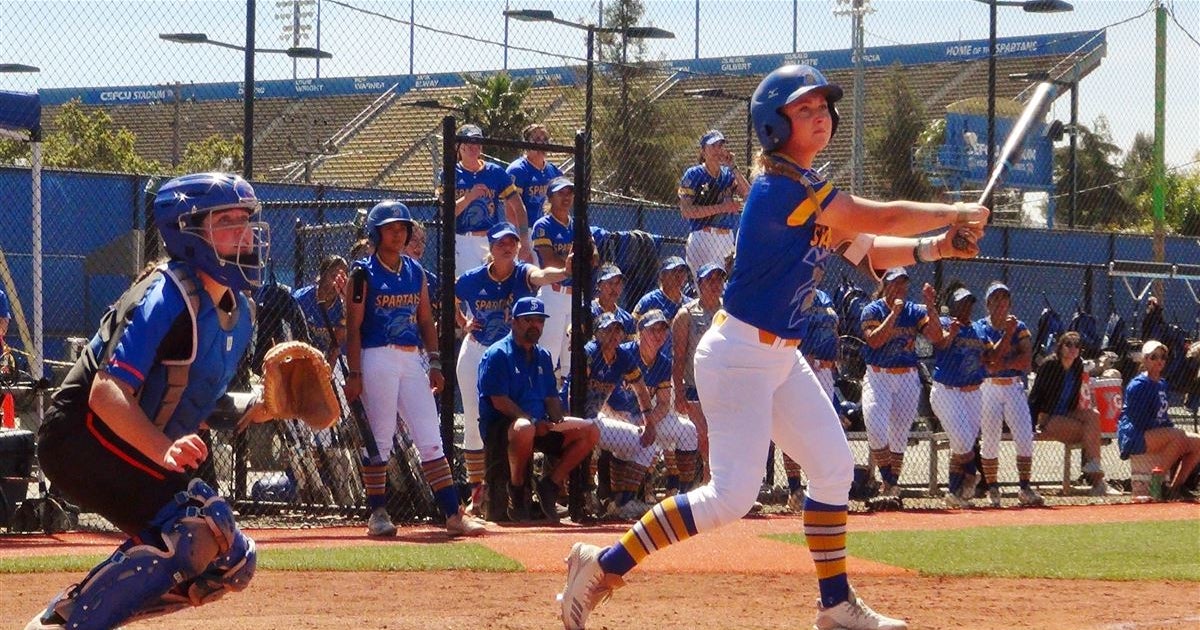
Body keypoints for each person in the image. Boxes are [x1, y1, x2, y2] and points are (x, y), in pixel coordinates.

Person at [559, 64, 987, 630]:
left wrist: (938, 246)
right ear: (772, 126)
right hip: (736, 356)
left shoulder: (809, 193)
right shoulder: (781, 187)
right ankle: (601, 564)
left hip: (780, 358)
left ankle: (835, 606)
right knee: (730, 497)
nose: (819, 117)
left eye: (822, 109)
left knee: (834, 469)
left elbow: (869, 251)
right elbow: (873, 215)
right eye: (803, 110)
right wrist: (952, 212)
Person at [25, 172, 268, 630]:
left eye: (246, 219)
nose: (245, 231)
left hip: (132, 443)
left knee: (231, 560)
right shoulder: (168, 295)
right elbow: (106, 393)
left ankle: (67, 617)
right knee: (192, 531)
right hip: (78, 437)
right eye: (227, 220)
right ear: (189, 232)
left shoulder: (241, 312)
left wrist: (259, 405)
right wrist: (163, 449)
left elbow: (193, 401)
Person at [343, 200, 485, 539]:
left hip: (411, 359)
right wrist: (355, 373)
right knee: (379, 437)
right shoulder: (363, 273)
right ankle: (378, 513)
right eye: (391, 227)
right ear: (376, 233)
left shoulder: (415, 271)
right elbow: (353, 328)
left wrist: (434, 360)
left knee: (430, 436)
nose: (398, 232)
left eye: (402, 227)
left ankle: (453, 514)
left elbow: (425, 319)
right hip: (376, 355)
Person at [455, 222, 569, 514]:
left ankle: (506, 490)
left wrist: (565, 272)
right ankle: (477, 490)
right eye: (500, 243)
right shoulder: (473, 278)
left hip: (511, 355)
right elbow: (450, 296)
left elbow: (543, 275)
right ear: (491, 248)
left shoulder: (522, 273)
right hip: (478, 350)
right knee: (473, 420)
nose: (507, 248)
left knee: (511, 422)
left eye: (512, 243)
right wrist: (462, 322)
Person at [477, 296, 599, 521]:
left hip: (538, 424)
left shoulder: (543, 356)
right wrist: (533, 421)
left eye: (539, 321)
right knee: (525, 429)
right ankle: (517, 489)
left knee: (590, 430)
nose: (535, 325)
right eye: (528, 320)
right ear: (513, 322)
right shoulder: (498, 354)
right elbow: (499, 401)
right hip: (502, 426)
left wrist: (557, 423)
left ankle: (549, 485)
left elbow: (551, 398)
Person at [860, 267, 943, 499]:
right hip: (879, 375)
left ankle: (890, 489)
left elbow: (935, 336)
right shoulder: (872, 309)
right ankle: (890, 481)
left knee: (898, 437)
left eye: (904, 284)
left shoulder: (914, 311)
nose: (900, 288)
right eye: (895, 283)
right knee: (876, 428)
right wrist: (893, 315)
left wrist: (931, 306)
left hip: (906, 376)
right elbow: (874, 341)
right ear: (885, 284)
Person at [608, 309, 700, 501]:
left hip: (646, 418)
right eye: (653, 330)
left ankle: (683, 496)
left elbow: (665, 404)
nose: (659, 335)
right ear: (640, 331)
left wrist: (647, 422)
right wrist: (625, 420)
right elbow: (605, 394)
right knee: (629, 442)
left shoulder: (664, 363)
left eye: (663, 330)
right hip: (617, 416)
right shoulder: (623, 354)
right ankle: (621, 499)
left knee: (689, 430)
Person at [976, 281, 1042, 507]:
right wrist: (1005, 348)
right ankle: (992, 488)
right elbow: (989, 364)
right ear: (988, 303)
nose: (1001, 304)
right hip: (989, 387)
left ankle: (1024, 487)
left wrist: (1002, 360)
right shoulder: (980, 327)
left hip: (1013, 385)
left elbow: (1026, 362)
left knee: (1024, 436)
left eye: (1004, 299)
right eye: (995, 299)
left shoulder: (1020, 326)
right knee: (990, 439)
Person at [1028, 331, 1114, 496]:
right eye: (1069, 344)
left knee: (1094, 416)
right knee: (1089, 433)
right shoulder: (1049, 365)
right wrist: (1031, 426)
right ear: (1060, 347)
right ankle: (1097, 479)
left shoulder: (1077, 366)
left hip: (1068, 411)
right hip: (1048, 416)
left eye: (1077, 345)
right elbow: (1035, 397)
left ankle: (1094, 472)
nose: (1073, 348)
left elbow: (1075, 398)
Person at [927, 286, 987, 508]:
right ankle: (972, 474)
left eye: (969, 302)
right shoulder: (945, 323)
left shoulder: (979, 329)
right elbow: (938, 343)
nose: (966, 307)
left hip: (973, 394)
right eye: (962, 302)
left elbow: (987, 355)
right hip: (947, 391)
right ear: (953, 305)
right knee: (962, 441)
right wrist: (950, 333)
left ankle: (954, 493)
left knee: (962, 444)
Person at [1118, 340, 1200, 499]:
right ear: (1145, 360)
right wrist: (1167, 431)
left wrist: (1169, 429)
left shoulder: (1162, 384)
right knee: (1177, 435)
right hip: (1134, 436)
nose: (1159, 360)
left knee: (1197, 442)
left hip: (1154, 433)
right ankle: (1157, 481)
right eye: (1153, 357)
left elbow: (1163, 417)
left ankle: (1175, 487)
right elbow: (1138, 420)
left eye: (1162, 356)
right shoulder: (1138, 385)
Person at [785, 286, 842, 512]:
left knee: (821, 430)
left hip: (826, 371)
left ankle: (816, 488)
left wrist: (836, 359)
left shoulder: (825, 296)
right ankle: (794, 490)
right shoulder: (794, 294)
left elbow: (833, 329)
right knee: (794, 428)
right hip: (803, 366)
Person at [440, 124, 523, 274]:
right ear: (458, 146)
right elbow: (445, 213)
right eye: (469, 142)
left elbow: (518, 206)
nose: (474, 146)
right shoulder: (449, 173)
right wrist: (468, 197)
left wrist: (523, 239)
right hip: (463, 240)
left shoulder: (495, 171)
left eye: (477, 142)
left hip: (492, 238)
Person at [671, 262, 726, 479]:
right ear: (699, 284)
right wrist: (679, 392)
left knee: (722, 436)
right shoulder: (686, 314)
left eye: (719, 279)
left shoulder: (729, 312)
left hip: (723, 387)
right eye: (710, 280)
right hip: (694, 387)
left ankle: (715, 481)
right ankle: (708, 480)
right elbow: (679, 358)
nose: (715, 284)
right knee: (703, 437)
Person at [678, 129, 750, 275]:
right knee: (704, 286)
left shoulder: (728, 174)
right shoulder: (694, 174)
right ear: (703, 152)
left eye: (720, 145)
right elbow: (686, 211)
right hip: (704, 235)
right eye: (713, 146)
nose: (718, 150)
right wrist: (722, 208)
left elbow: (749, 195)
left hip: (726, 237)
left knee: (725, 288)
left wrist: (734, 167)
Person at [531, 176, 583, 376]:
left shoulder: (578, 224)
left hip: (575, 297)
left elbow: (594, 257)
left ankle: (568, 405)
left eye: (569, 192)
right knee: (548, 357)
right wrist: (574, 264)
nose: (566, 197)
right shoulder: (543, 225)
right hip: (553, 294)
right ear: (550, 197)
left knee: (572, 360)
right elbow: (549, 260)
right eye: (560, 193)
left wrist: (580, 261)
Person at [507, 123, 563, 254]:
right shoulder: (517, 170)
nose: (541, 143)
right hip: (528, 230)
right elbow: (510, 209)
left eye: (545, 139)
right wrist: (521, 239)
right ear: (526, 143)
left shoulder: (553, 171)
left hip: (549, 230)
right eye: (537, 139)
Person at [292, 254, 348, 361]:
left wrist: (327, 374)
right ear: (322, 275)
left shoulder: (343, 304)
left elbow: (337, 345)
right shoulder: (301, 299)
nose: (336, 282)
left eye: (342, 277)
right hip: (302, 354)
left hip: (334, 359)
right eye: (333, 275)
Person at [591, 264, 636, 339]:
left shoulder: (627, 319)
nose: (614, 288)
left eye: (618, 283)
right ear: (599, 285)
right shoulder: (588, 310)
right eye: (610, 283)